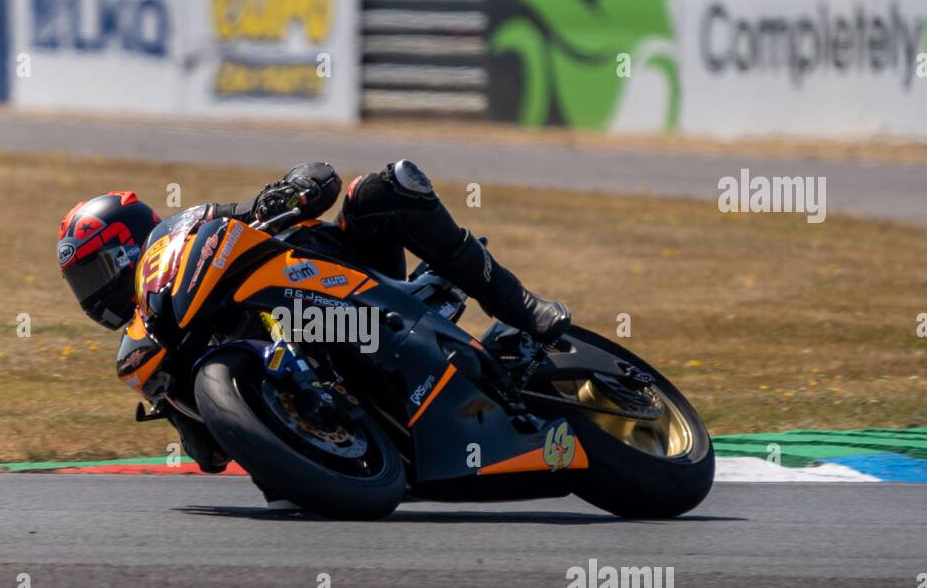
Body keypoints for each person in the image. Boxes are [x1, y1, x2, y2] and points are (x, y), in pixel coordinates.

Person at [57, 160, 570, 476]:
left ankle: (519, 304)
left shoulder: (192, 228)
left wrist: (288, 192)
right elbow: (211, 458)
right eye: (82, 281)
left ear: (128, 248)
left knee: (384, 188)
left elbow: (317, 180)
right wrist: (176, 403)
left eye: (96, 270)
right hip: (330, 414)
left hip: (339, 281)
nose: (94, 292)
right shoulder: (150, 343)